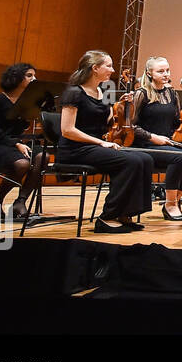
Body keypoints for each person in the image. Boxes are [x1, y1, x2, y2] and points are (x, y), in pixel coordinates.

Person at [57, 51, 154, 234]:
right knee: (131, 161)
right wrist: (101, 143)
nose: (112, 69)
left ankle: (125, 213)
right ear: (95, 68)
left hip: (94, 146)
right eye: (108, 66)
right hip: (75, 148)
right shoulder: (74, 92)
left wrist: (123, 105)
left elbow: (111, 121)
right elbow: (67, 130)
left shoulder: (104, 90)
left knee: (145, 158)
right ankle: (107, 217)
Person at [128, 56, 182, 220]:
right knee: (180, 158)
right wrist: (152, 137)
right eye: (160, 71)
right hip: (146, 145)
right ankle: (170, 204)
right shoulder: (141, 94)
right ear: (150, 73)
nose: (166, 74)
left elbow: (177, 122)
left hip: (167, 144)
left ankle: (174, 200)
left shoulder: (172, 93)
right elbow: (130, 126)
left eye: (167, 70)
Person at [0, 62, 47, 221]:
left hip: (18, 144)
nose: (34, 79)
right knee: (22, 164)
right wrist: (16, 143)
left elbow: (24, 128)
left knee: (43, 157)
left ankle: (20, 202)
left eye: (34, 75)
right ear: (17, 77)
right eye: (30, 76)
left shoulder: (26, 102)